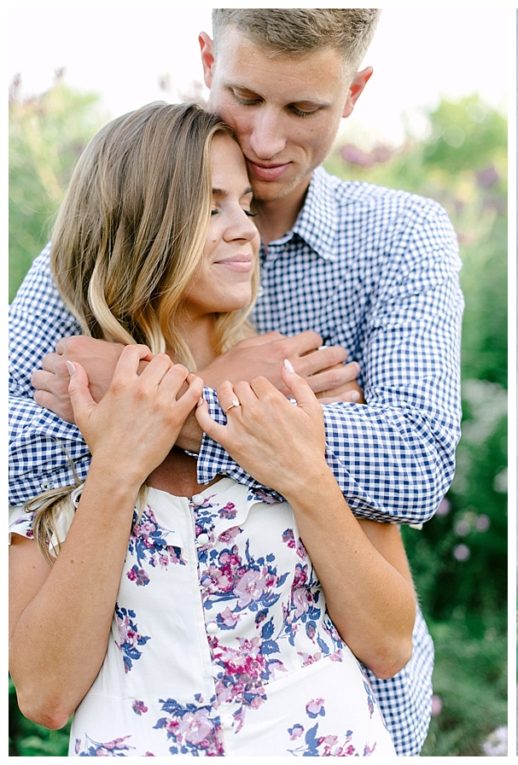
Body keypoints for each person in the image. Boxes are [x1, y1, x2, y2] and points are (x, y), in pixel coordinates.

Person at [9, 9, 463, 755]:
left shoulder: (399, 239)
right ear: (206, 59)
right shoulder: (97, 239)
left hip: (346, 717)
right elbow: (14, 435)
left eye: (303, 108)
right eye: (246, 98)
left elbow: (411, 466)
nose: (264, 141)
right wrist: (202, 392)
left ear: (354, 93)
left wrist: (174, 403)